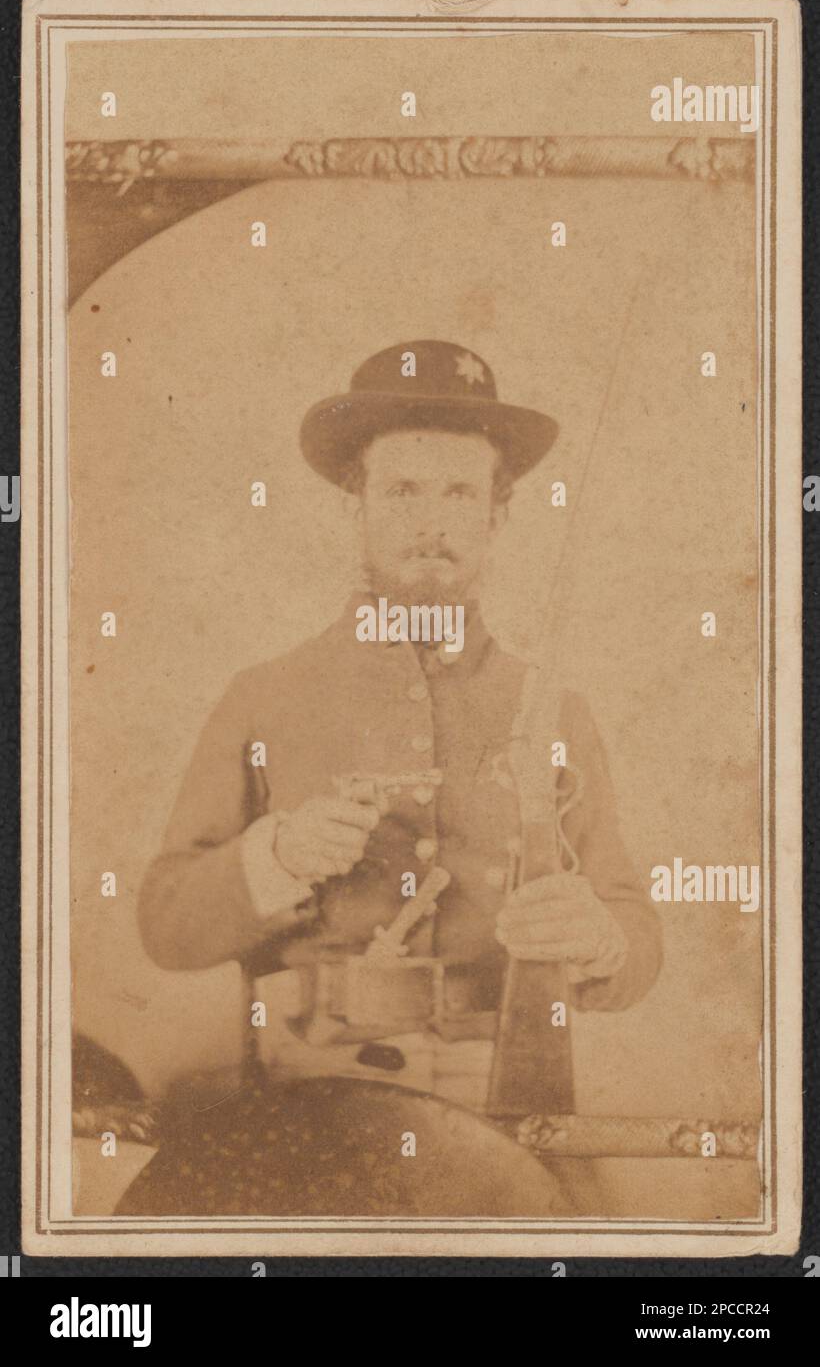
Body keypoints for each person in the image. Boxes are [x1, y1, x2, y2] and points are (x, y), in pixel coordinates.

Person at [139, 339, 662, 1126]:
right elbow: (166, 925)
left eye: (459, 493)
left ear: (497, 514)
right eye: (403, 491)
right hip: (305, 1096)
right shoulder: (264, 696)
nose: (430, 522)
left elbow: (635, 927)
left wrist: (601, 938)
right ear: (356, 507)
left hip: (506, 1101)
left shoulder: (555, 709)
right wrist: (275, 856)